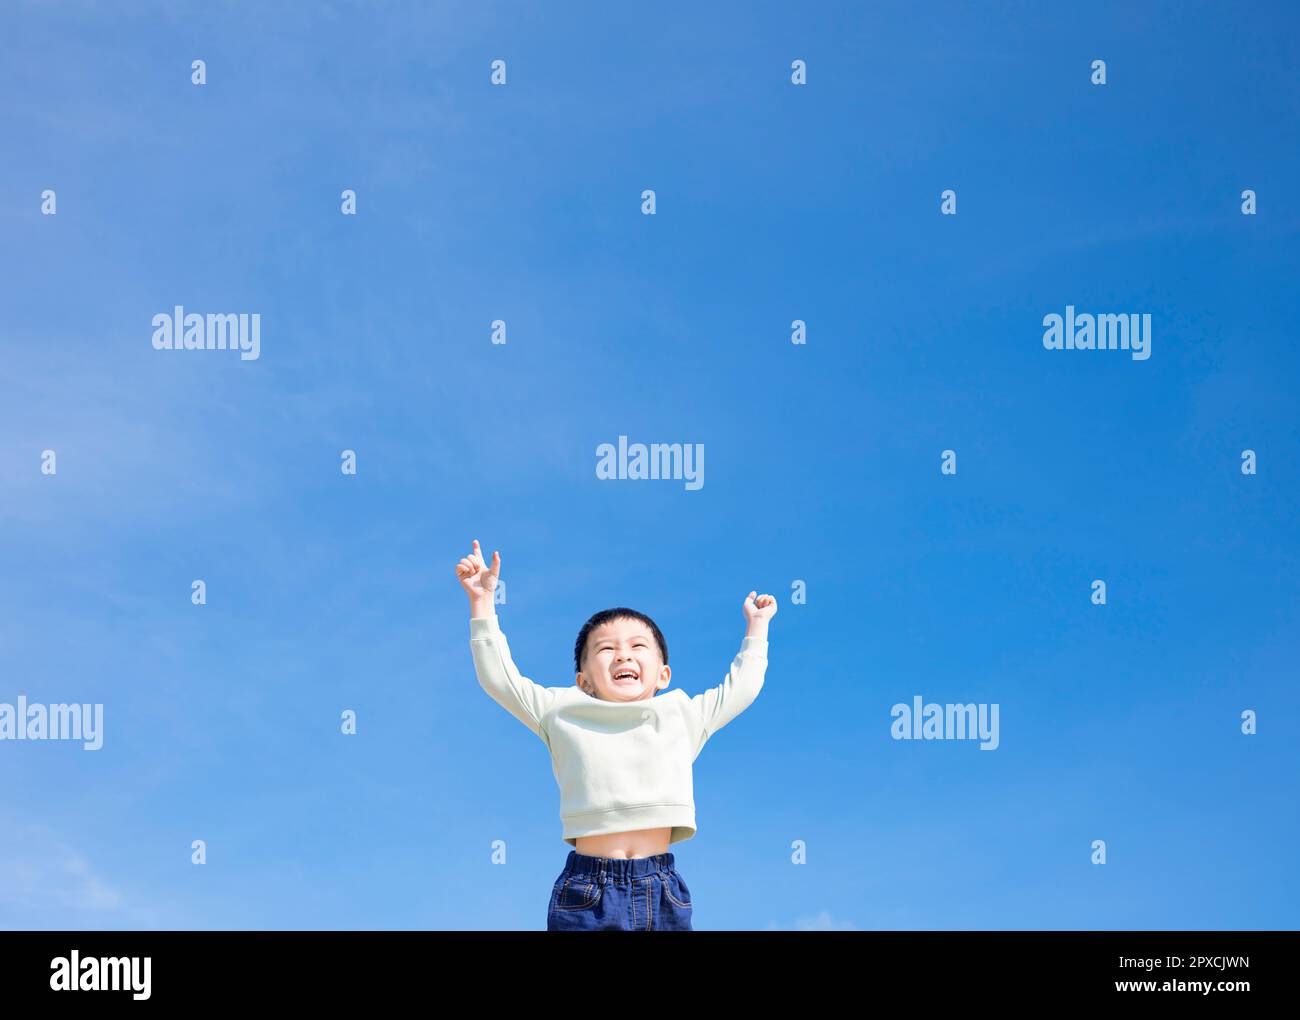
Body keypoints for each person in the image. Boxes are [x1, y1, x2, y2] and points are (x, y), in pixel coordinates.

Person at [456, 538, 775, 930]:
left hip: (661, 888)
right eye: (606, 648)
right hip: (587, 891)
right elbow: (500, 680)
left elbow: (741, 688)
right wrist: (482, 603)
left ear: (663, 674)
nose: (623, 654)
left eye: (638, 646)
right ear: (583, 680)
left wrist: (757, 628)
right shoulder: (561, 710)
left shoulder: (683, 714)